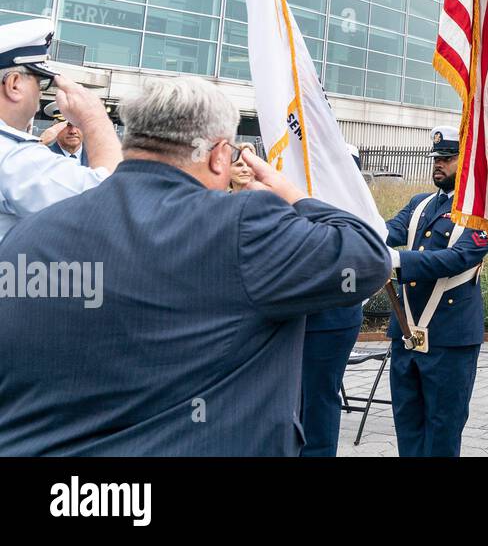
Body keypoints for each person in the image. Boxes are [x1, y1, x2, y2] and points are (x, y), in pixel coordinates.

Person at [0, 76, 391, 455]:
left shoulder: (31, 234)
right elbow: (367, 257)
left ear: (133, 140)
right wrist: (292, 195)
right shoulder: (243, 228)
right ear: (220, 155)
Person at [383, 125, 488, 457]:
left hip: (449, 337)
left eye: (448, 158)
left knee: (443, 431)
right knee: (408, 426)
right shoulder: (420, 203)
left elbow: (457, 258)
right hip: (406, 332)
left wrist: (399, 259)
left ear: (467, 161)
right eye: (437, 158)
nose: (439, 164)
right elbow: (387, 232)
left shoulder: (480, 211)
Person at [0, 18, 121, 242]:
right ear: (14, 84)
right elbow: (113, 205)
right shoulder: (13, 158)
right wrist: (95, 118)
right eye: (40, 83)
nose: (39, 97)